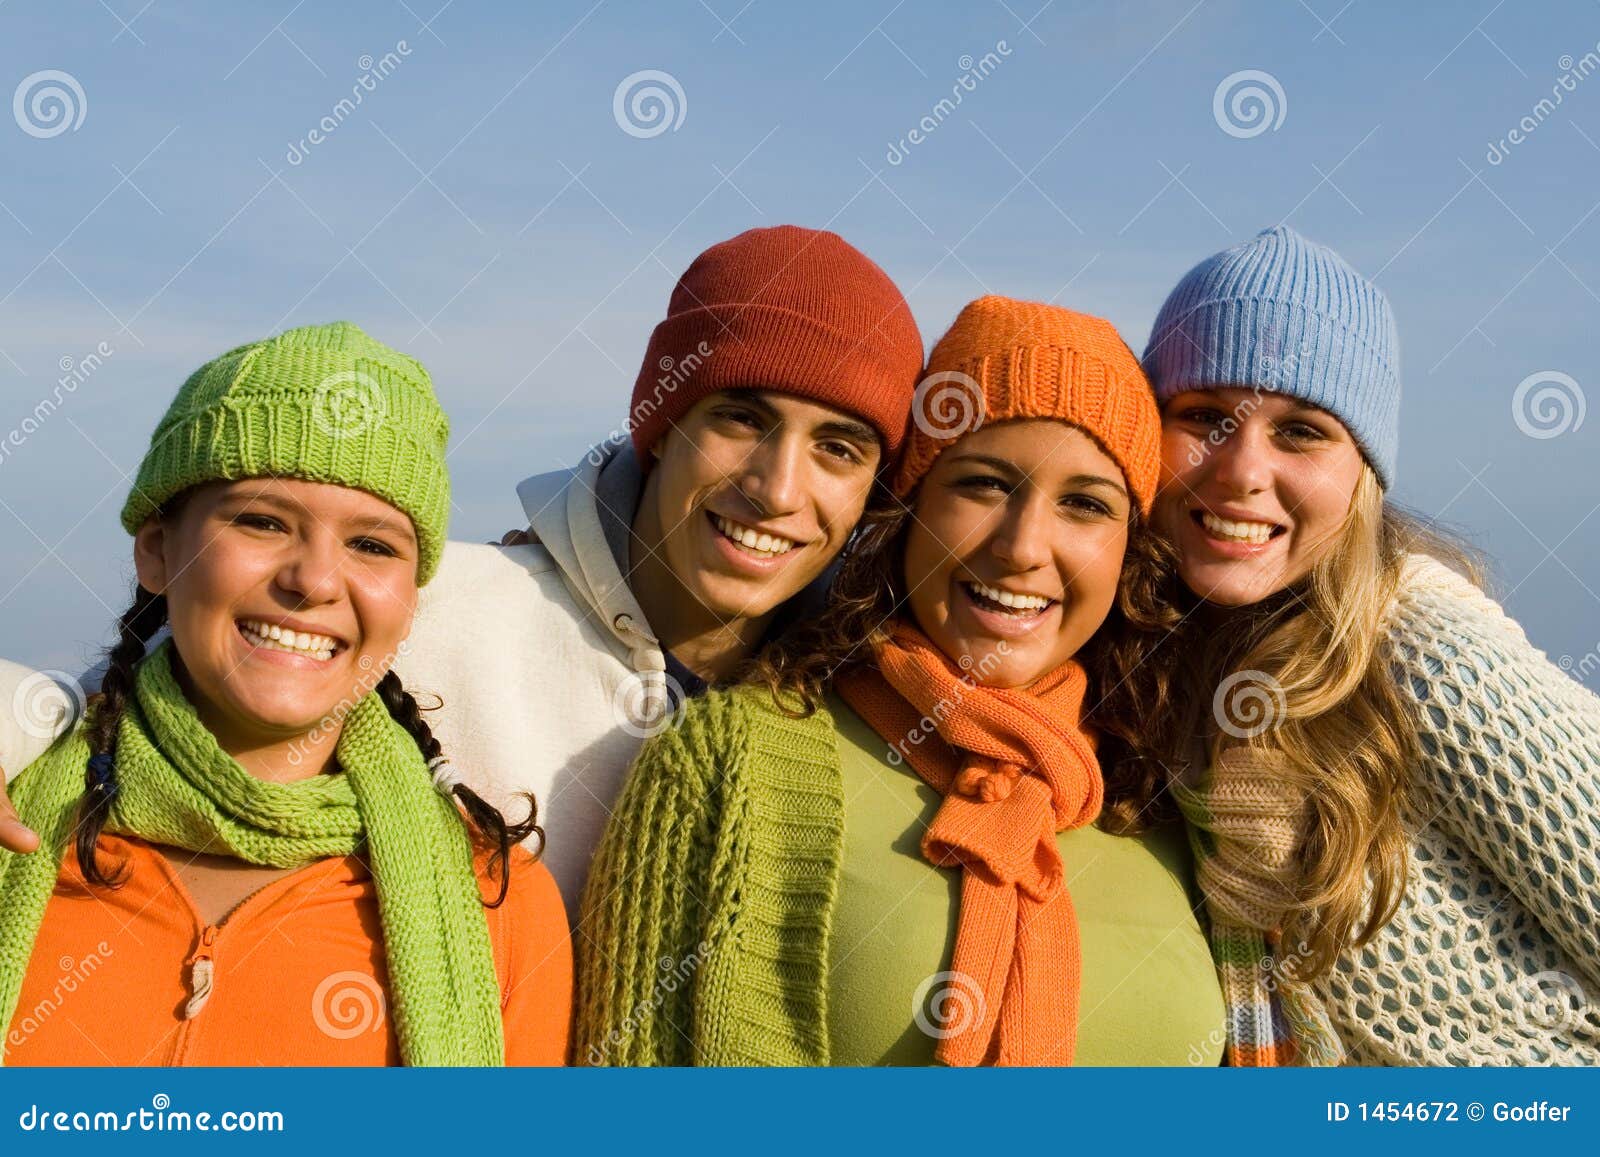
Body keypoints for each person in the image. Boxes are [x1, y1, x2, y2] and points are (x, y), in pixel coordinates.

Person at [0, 225, 926, 910]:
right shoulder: (430, 606)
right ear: (660, 424)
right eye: (741, 420)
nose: (777, 488)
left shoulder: (859, 699)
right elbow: (127, 696)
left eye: (839, 449)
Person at [575, 297, 1226, 1066]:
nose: (1023, 547)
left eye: (1085, 504)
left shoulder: (1169, 793)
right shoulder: (726, 761)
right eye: (984, 484)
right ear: (907, 510)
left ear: (1131, 553)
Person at [0, 322, 571, 1066]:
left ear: (409, 598)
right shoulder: (18, 823)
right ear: (156, 549)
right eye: (263, 521)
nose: (314, 580)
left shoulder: (501, 905)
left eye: (372, 544)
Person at [1134, 225, 1600, 1064]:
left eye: (1301, 430)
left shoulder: (1424, 649)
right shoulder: (1145, 661)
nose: (1242, 468)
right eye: (1205, 416)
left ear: (1363, 474)